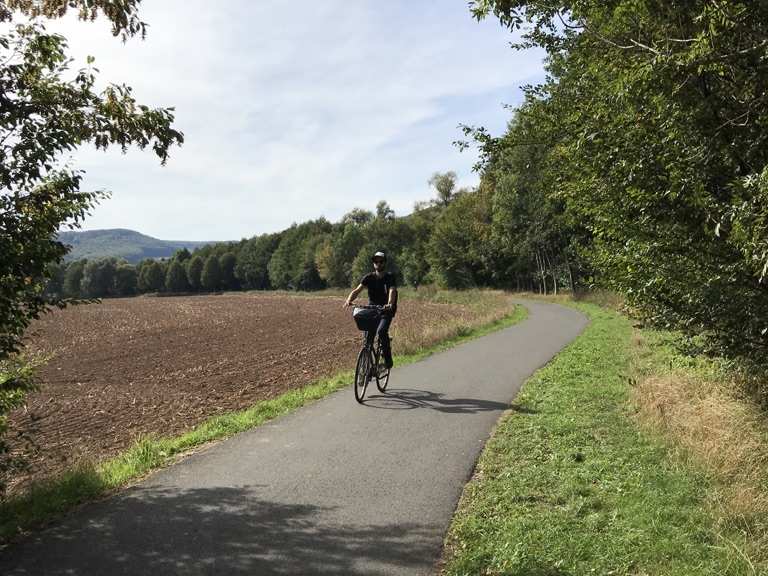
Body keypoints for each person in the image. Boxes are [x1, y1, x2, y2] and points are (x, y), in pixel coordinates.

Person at [344, 251, 398, 368]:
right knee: (368, 339)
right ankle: (366, 369)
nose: (378, 263)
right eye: (376, 261)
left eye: (381, 261)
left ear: (384, 263)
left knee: (382, 331)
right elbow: (357, 291)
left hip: (385, 310)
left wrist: (389, 304)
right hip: (372, 309)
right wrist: (349, 300)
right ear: (373, 263)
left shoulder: (389, 277)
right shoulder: (369, 277)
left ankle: (388, 362)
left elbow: (392, 291)